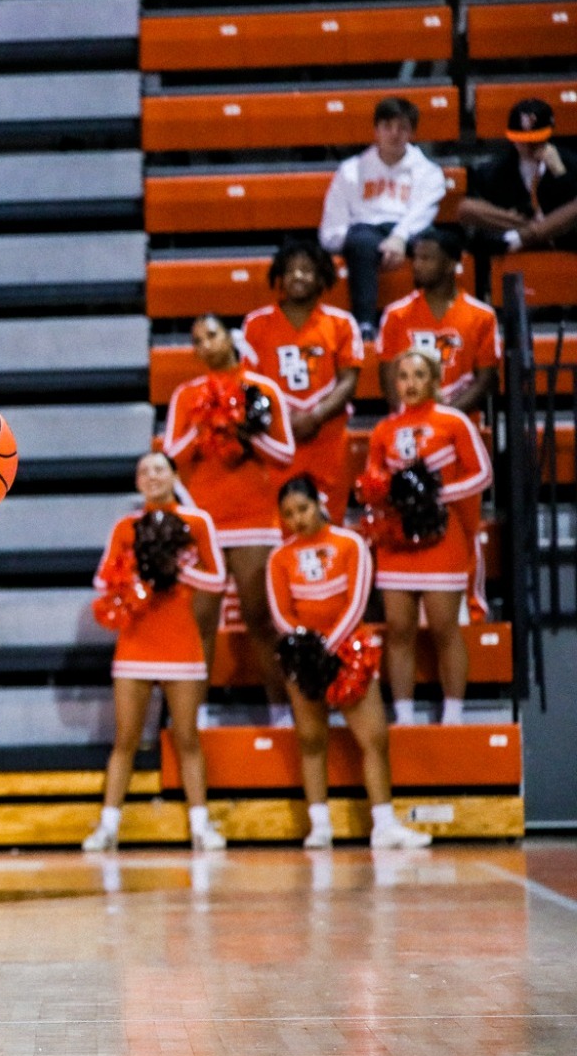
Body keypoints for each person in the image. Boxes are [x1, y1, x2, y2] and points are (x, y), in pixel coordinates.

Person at [266, 475, 434, 850]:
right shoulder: (278, 558)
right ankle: (320, 824)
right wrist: (307, 648)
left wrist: (328, 645)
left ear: (320, 503)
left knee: (373, 738)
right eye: (288, 514)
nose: (298, 520)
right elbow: (280, 611)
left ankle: (384, 825)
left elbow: (357, 600)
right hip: (304, 656)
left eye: (304, 509)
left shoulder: (351, 543)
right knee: (310, 739)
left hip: (349, 650)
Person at [81, 453, 227, 853]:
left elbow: (217, 579)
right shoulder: (126, 526)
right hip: (136, 643)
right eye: (144, 471)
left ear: (175, 476)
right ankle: (108, 827)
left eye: (159, 469)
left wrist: (176, 570)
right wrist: (137, 574)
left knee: (187, 737)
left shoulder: (197, 522)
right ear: (138, 481)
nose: (152, 476)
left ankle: (201, 826)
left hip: (182, 643)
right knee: (126, 738)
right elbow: (100, 578)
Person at [162, 314, 295, 720]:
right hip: (204, 521)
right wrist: (204, 425)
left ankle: (281, 710)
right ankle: (194, 716)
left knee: (260, 618)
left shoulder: (261, 388)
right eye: (197, 340)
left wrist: (245, 431)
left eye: (211, 335)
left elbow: (286, 453)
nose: (205, 345)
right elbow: (170, 456)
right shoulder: (187, 394)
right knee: (200, 620)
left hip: (255, 518)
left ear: (230, 338)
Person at [361, 346, 491, 727]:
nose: (410, 384)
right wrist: (380, 492)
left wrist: (436, 495)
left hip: (441, 538)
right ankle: (404, 715)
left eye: (419, 376)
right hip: (397, 543)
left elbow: (482, 474)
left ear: (435, 380)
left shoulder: (453, 422)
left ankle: (453, 715)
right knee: (399, 630)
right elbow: (372, 482)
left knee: (444, 629)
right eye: (403, 377)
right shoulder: (383, 430)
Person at [242, 238, 364, 521]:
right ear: (279, 276)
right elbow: (248, 384)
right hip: (275, 439)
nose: (298, 276)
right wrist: (283, 420)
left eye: (307, 269)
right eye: (291, 269)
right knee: (280, 523)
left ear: (322, 276)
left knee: (326, 523)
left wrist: (316, 415)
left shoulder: (341, 323)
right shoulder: (256, 323)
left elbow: (349, 381)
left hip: (328, 437)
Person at [316, 97, 445, 337]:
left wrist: (398, 238)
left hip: (409, 230)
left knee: (436, 246)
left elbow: (423, 213)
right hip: (365, 231)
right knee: (360, 242)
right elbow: (331, 231)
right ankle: (364, 324)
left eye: (402, 128)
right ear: (376, 131)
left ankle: (433, 321)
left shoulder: (429, 172)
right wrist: (367, 244)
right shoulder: (350, 170)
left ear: (412, 133)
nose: (394, 134)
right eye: (387, 126)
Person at [378, 227, 499, 414]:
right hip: (409, 422)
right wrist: (412, 416)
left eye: (426, 259)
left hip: (462, 421)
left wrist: (445, 418)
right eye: (416, 258)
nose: (417, 265)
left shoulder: (482, 316)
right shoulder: (396, 314)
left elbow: (485, 380)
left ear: (450, 264)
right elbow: (388, 375)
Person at [457, 98, 577, 259]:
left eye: (535, 141)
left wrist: (560, 173)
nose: (528, 147)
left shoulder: (571, 163)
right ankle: (529, 233)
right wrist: (523, 223)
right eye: (522, 141)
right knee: (467, 207)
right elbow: (475, 215)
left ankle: (527, 235)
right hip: (513, 241)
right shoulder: (493, 171)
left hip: (561, 242)